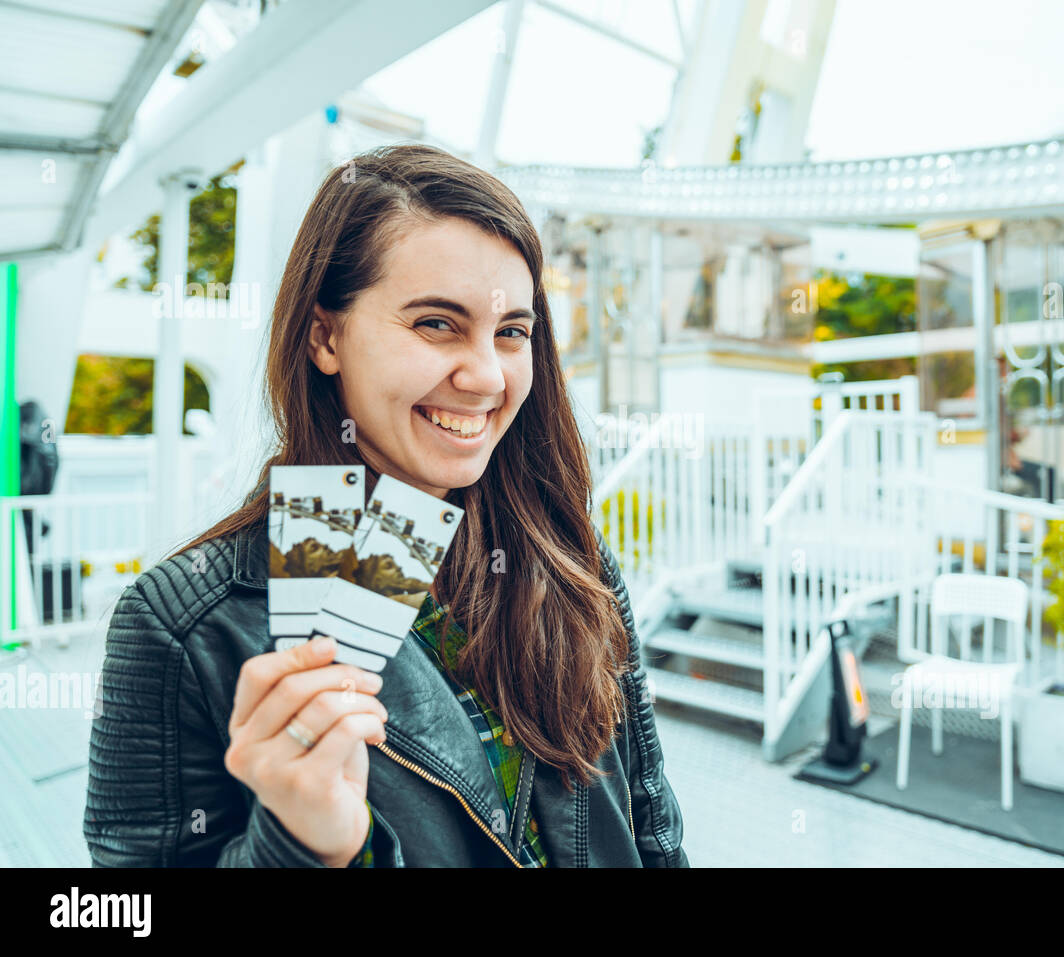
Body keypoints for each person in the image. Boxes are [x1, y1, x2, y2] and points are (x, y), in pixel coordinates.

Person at [83, 145, 689, 868]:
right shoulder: (182, 628)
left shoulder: (572, 560)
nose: (487, 375)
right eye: (436, 323)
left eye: (512, 332)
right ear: (324, 335)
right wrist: (302, 845)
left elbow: (655, 833)